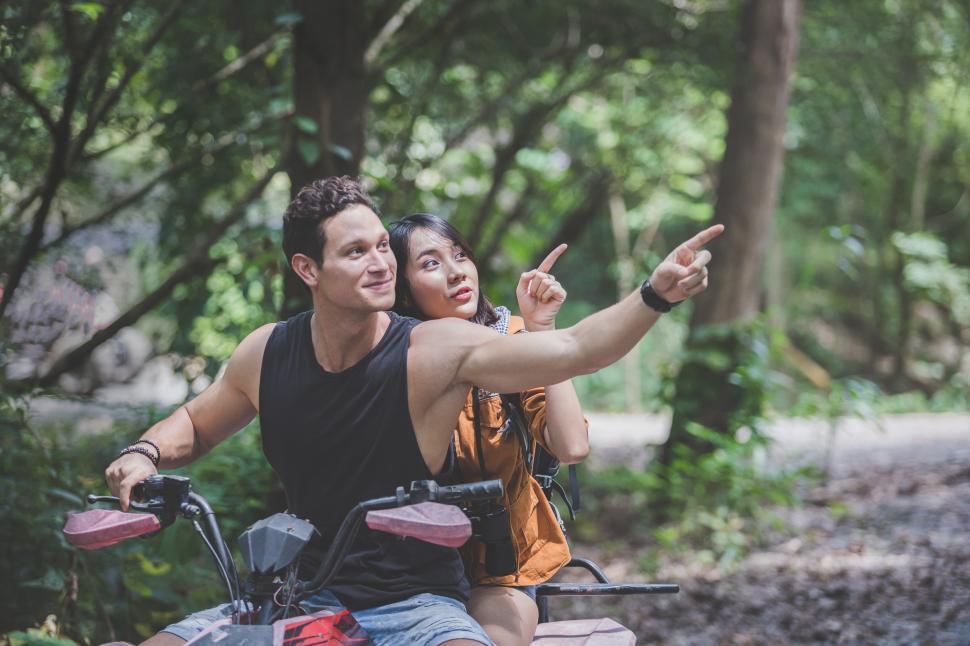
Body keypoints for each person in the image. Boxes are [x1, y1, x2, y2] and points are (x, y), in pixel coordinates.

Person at [104, 175, 722, 646]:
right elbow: (194, 420)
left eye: (381, 247)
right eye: (356, 252)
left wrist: (654, 295)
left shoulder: (434, 350)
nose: (378, 262)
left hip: (418, 606)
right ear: (307, 269)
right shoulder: (265, 352)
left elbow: (576, 349)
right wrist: (144, 452)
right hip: (295, 597)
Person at [389, 213, 588, 646]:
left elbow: (572, 445)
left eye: (460, 255)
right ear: (402, 289)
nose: (457, 270)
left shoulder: (511, 338)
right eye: (430, 263)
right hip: (405, 574)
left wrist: (542, 335)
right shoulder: (391, 359)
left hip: (501, 570)